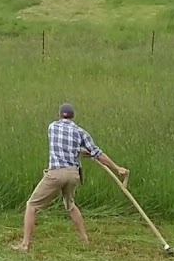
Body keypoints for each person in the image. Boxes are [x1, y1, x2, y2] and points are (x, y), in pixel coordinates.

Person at [13, 103, 127, 251]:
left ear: (59, 114)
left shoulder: (52, 127)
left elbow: (63, 147)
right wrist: (117, 168)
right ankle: (84, 240)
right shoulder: (80, 132)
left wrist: (81, 152)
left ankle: (25, 244)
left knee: (32, 205)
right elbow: (97, 153)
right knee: (70, 205)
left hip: (56, 173)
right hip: (73, 174)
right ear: (73, 116)